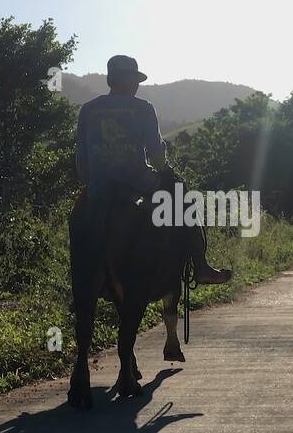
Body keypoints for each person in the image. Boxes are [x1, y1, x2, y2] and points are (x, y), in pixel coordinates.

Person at [75, 55, 231, 285]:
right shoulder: (143, 108)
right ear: (126, 80)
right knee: (182, 194)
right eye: (134, 79)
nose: (137, 85)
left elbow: (81, 156)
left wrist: (91, 183)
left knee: (79, 225)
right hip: (137, 182)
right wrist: (165, 170)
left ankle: (80, 284)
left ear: (110, 79)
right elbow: (156, 154)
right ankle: (200, 266)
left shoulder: (88, 110)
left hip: (98, 187)